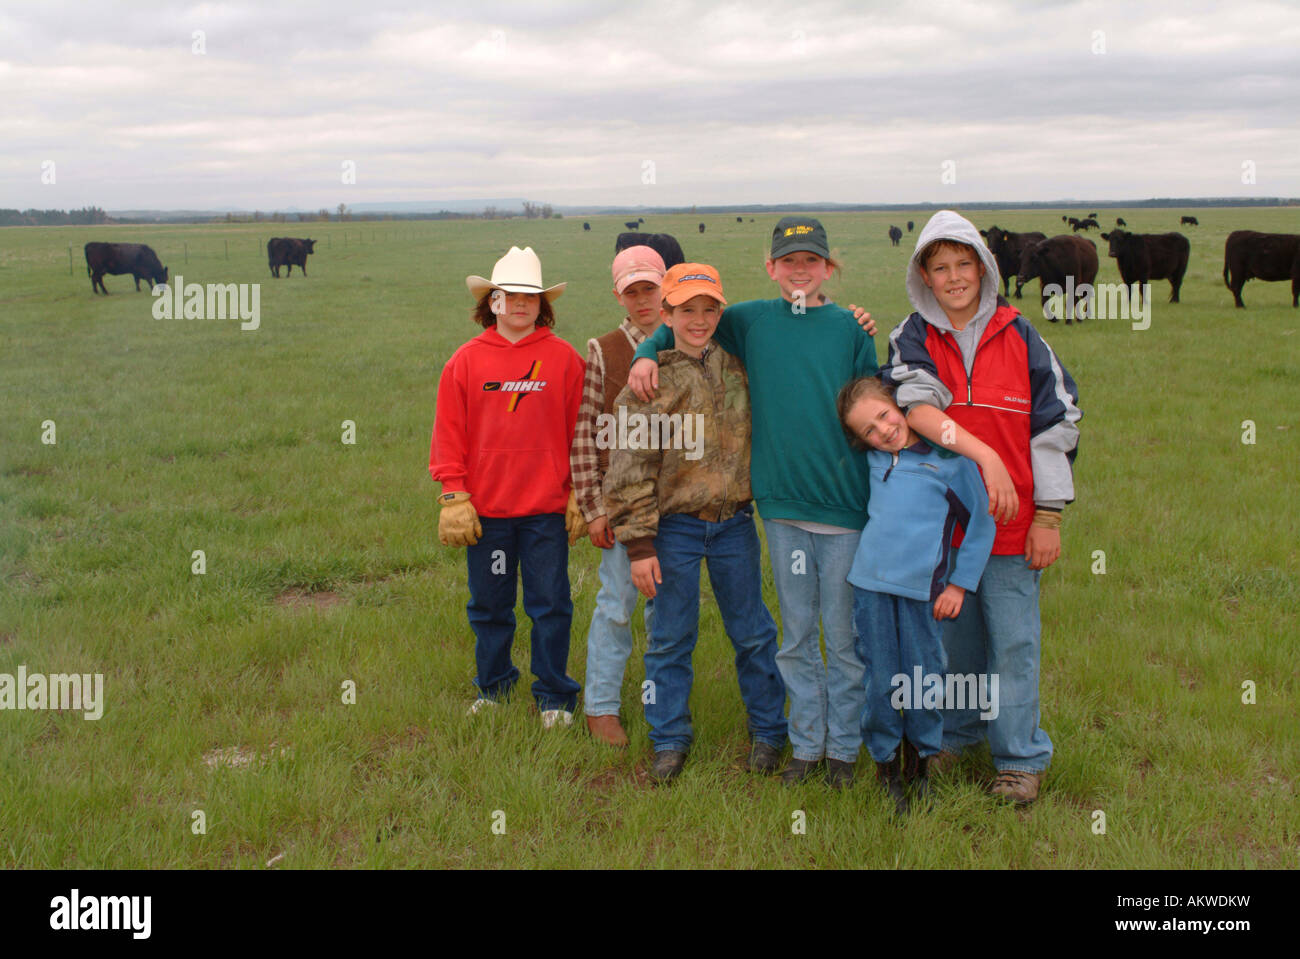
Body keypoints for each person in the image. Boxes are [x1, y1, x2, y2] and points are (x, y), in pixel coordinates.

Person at [627, 217, 878, 788]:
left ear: (827, 268)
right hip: (779, 511)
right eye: (788, 261)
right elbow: (683, 326)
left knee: (841, 639)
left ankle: (842, 750)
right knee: (792, 637)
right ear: (770, 268)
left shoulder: (849, 328)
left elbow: (871, 403)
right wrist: (645, 351)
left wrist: (854, 317)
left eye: (811, 261)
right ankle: (804, 746)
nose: (799, 271)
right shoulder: (748, 320)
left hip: (844, 509)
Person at [879, 210, 1081, 804]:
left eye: (964, 263)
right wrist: (985, 456)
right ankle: (957, 740)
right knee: (954, 644)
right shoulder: (912, 336)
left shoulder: (1023, 337)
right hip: (942, 530)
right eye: (940, 267)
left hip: (1014, 528)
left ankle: (1019, 758)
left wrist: (1048, 516)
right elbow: (916, 408)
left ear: (985, 267)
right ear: (924, 276)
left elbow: (1056, 426)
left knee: (1014, 642)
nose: (954, 277)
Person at [604, 263, 787, 784]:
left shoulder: (742, 367)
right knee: (669, 637)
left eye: (710, 309)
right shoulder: (651, 382)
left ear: (721, 312)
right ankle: (669, 739)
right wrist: (639, 546)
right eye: (687, 310)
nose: (699, 319)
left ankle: (770, 731)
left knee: (753, 632)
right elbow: (628, 467)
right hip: (675, 529)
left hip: (734, 525)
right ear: (667, 314)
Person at [429, 246, 588, 727]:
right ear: (492, 301)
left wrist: (582, 489)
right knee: (491, 605)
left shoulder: (563, 359)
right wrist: (453, 493)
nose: (520, 305)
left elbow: (583, 429)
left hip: (545, 511)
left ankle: (554, 696)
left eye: (530, 297)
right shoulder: (466, 361)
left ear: (543, 304)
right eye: (510, 296)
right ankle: (494, 688)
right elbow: (448, 431)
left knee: (550, 604)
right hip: (488, 512)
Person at [837, 375, 995, 813]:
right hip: (870, 589)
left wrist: (961, 584)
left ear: (899, 404)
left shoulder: (950, 462)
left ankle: (922, 763)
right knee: (882, 681)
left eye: (885, 415)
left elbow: (982, 522)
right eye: (869, 430)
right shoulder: (873, 460)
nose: (883, 431)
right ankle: (886, 764)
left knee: (923, 681)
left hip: (924, 594)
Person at [569, 246, 666, 747]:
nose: (643, 299)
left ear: (665, 285)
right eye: (633, 291)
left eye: (650, 287)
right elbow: (587, 432)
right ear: (618, 296)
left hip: (677, 502)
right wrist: (593, 507)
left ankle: (663, 707)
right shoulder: (604, 350)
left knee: (666, 609)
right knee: (615, 603)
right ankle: (601, 706)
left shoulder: (689, 338)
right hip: (623, 505)